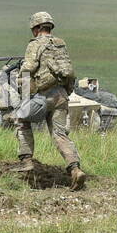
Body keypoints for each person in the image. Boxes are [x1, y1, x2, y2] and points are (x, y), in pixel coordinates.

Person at [15, 11, 86, 190]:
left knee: (20, 119)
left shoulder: (35, 44)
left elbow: (29, 68)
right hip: (61, 96)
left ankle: (26, 161)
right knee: (60, 135)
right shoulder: (60, 44)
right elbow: (69, 71)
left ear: (37, 28)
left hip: (43, 96)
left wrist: (21, 86)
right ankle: (75, 170)